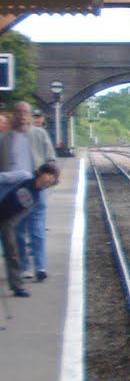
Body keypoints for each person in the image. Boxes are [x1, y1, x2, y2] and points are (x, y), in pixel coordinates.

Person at [2, 101, 54, 280]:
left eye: (25, 112)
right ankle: (24, 266)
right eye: (18, 112)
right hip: (13, 191)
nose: (22, 115)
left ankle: (40, 267)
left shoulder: (39, 134)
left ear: (30, 115)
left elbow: (50, 159)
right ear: (14, 115)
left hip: (36, 187)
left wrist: (51, 177)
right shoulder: (5, 139)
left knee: (37, 229)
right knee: (18, 230)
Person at [1, 161, 60, 298]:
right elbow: (2, 178)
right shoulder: (23, 177)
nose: (50, 179)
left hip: (6, 221)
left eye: (53, 179)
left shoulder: (37, 198)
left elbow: (20, 214)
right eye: (49, 175)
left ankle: (18, 287)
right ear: (40, 172)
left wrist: (9, 225)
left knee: (12, 254)